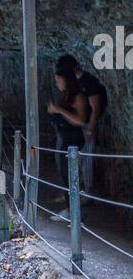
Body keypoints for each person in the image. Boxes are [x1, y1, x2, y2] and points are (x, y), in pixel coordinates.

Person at [56, 54, 107, 200]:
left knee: (86, 162)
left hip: (85, 126)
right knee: (73, 162)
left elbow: (95, 107)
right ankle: (74, 193)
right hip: (75, 127)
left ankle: (87, 195)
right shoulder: (75, 82)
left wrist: (90, 128)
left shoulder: (88, 82)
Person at [47, 64, 88, 221]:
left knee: (71, 174)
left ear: (67, 80)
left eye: (59, 80)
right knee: (65, 174)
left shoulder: (78, 96)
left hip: (74, 139)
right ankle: (70, 208)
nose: (57, 83)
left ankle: (73, 212)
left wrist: (59, 110)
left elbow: (80, 120)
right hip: (65, 138)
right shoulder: (65, 95)